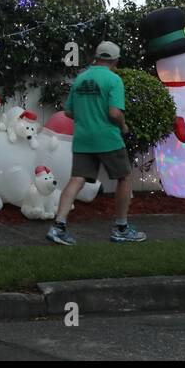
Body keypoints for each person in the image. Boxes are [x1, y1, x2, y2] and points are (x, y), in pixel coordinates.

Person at [47, 41, 147, 245]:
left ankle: (58, 226)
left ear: (97, 57)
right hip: (107, 138)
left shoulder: (81, 78)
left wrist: (87, 117)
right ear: (115, 60)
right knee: (124, 177)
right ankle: (121, 228)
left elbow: (69, 111)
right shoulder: (114, 80)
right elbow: (114, 113)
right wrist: (123, 125)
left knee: (77, 179)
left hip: (83, 138)